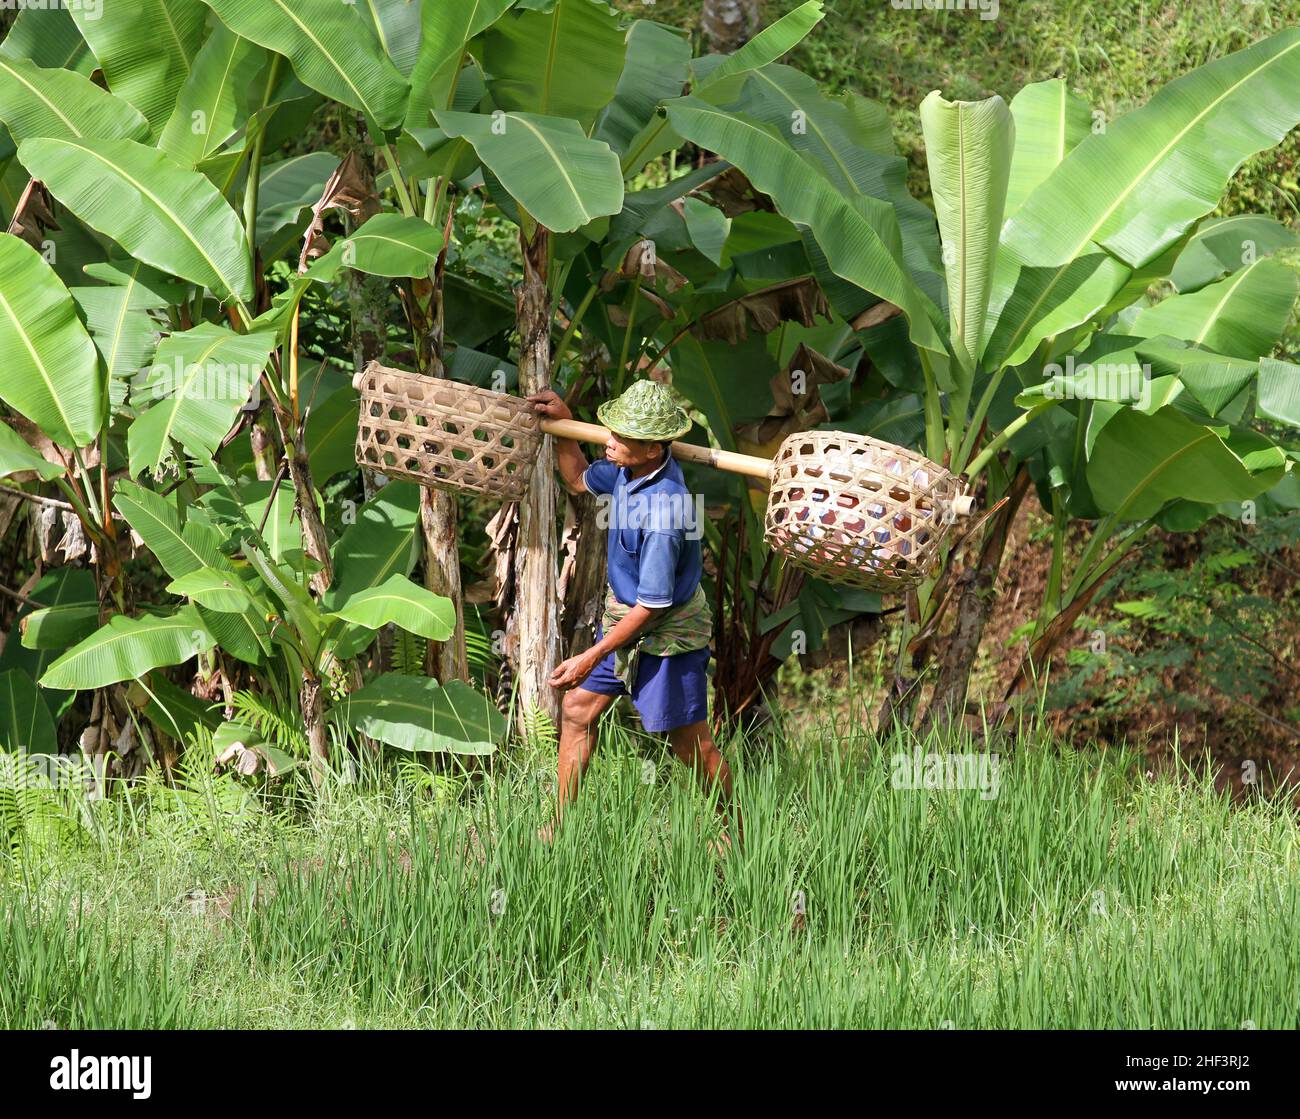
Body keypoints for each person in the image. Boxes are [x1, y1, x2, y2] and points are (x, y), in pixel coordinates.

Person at [527, 380, 740, 853]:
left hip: (666, 631)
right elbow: (578, 477)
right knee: (578, 709)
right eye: (611, 431)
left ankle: (737, 830)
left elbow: (653, 606)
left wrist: (589, 655)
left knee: (689, 745)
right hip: (624, 618)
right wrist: (564, 427)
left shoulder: (665, 510)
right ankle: (559, 828)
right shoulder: (625, 470)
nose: (609, 441)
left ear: (652, 448)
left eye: (621, 438)